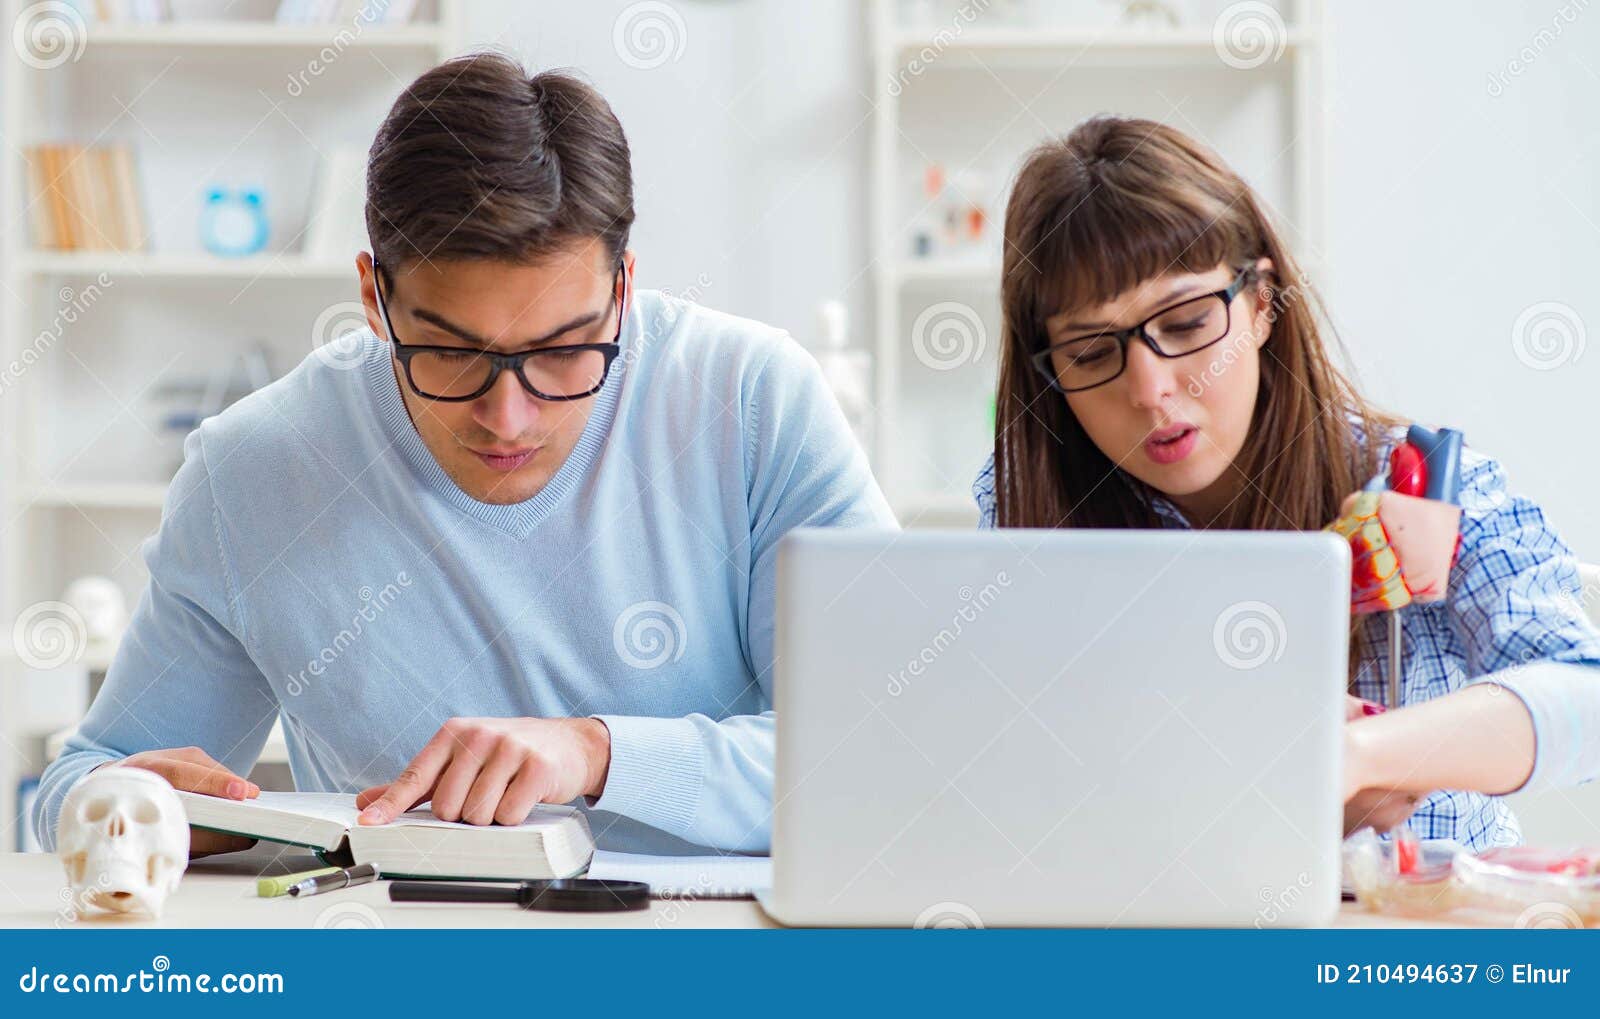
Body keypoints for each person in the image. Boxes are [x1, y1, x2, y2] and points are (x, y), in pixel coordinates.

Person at [35, 53, 894, 857]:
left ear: (624, 289)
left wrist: (598, 754)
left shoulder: (752, 401)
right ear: (374, 297)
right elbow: (78, 788)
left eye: (564, 350)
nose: (507, 415)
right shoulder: (253, 472)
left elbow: (891, 751)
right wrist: (128, 809)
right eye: (451, 353)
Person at [973, 116, 1600, 851]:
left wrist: (1361, 756)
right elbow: (1032, 779)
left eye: (1184, 321)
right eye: (1089, 351)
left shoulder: (1414, 480)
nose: (1150, 389)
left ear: (1263, 302)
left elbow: (1584, 697)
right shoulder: (1031, 504)